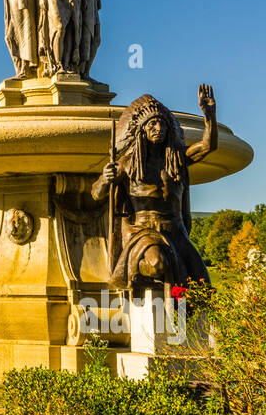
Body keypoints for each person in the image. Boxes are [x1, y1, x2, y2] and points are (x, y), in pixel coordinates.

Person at [91, 87, 218, 290]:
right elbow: (97, 194)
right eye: (152, 123)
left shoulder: (177, 160)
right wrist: (105, 180)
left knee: (202, 283)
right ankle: (136, 271)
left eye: (162, 124)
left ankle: (178, 316)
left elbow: (207, 147)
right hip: (143, 232)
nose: (158, 128)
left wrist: (209, 116)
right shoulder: (127, 164)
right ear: (142, 130)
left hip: (176, 233)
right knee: (158, 263)